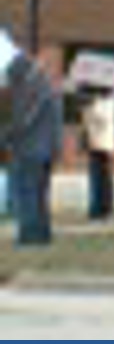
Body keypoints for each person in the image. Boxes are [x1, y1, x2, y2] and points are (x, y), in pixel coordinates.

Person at [1, 30, 61, 247]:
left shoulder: (24, 82)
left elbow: (18, 113)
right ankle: (40, 234)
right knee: (37, 190)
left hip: (30, 144)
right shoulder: (36, 80)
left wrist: (6, 135)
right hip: (44, 142)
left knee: (27, 188)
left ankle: (30, 236)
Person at [79, 85, 114, 221]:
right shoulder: (104, 103)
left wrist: (88, 110)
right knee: (99, 177)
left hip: (101, 144)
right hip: (98, 143)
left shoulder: (104, 104)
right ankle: (100, 207)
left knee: (100, 178)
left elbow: (99, 119)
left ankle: (100, 208)